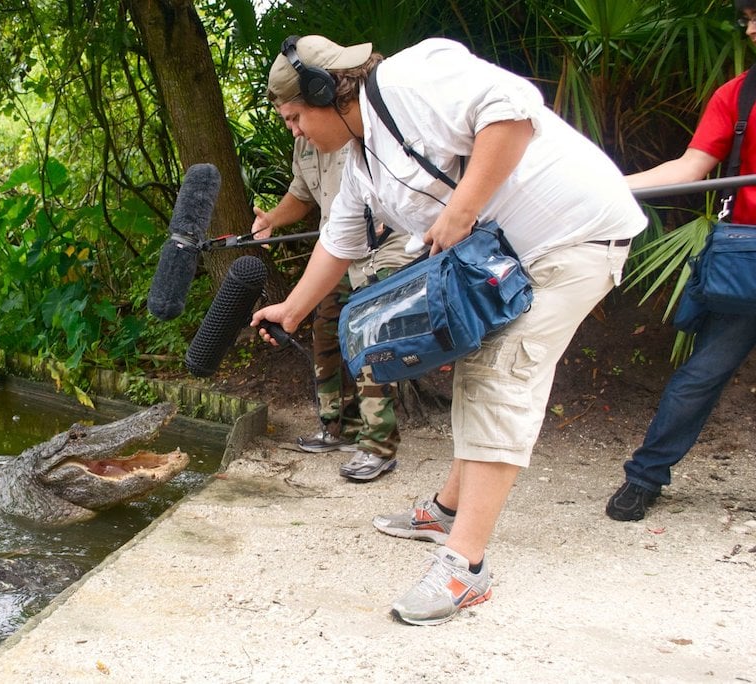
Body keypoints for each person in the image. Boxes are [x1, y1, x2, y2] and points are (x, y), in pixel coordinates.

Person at [252, 35, 644, 625]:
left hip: (571, 238)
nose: (296, 132)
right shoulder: (362, 157)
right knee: (475, 362)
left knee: (500, 376)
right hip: (506, 261)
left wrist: (460, 210)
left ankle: (467, 570)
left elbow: (512, 111)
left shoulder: (412, 78)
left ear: (324, 92)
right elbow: (341, 238)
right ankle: (445, 510)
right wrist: (293, 308)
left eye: (295, 118)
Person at [606, 0, 756, 522]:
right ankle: (644, 478)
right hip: (746, 263)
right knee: (702, 374)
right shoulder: (737, 95)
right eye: (749, 17)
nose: (751, 27)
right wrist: (605, 188)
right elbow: (691, 166)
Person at [251, 135, 411, 481]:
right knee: (326, 331)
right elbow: (302, 195)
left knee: (370, 337)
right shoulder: (302, 138)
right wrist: (273, 220)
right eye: (284, 119)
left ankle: (378, 446)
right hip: (336, 251)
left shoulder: (359, 127)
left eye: (295, 116)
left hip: (381, 249)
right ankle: (341, 427)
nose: (292, 128)